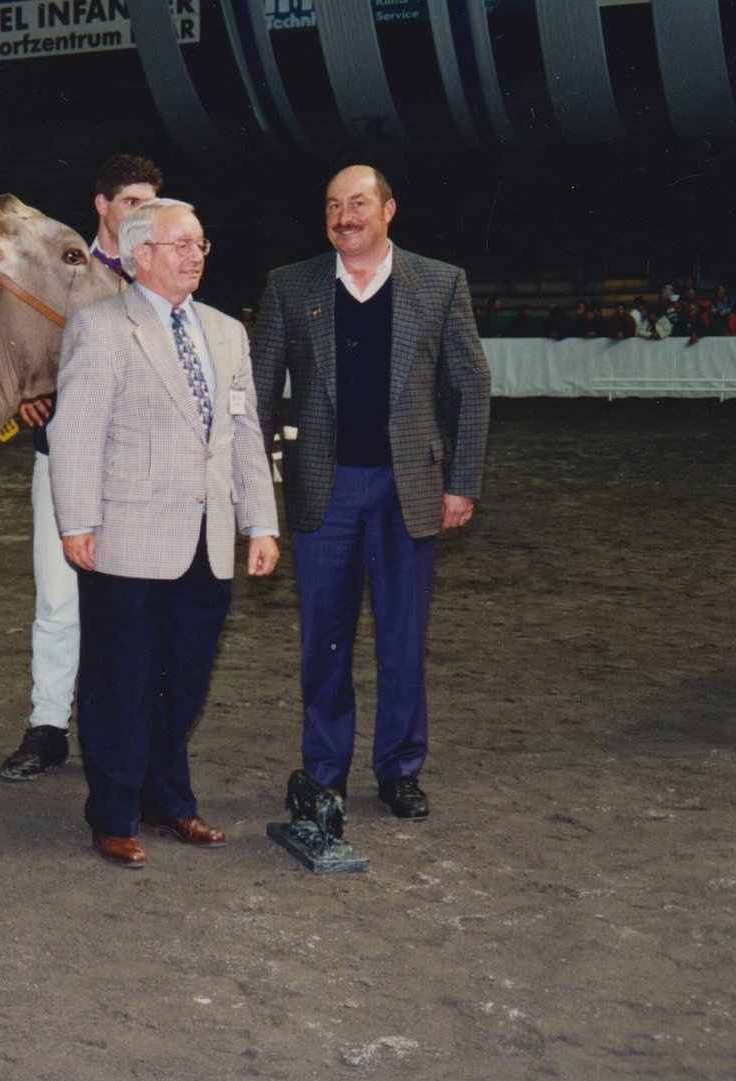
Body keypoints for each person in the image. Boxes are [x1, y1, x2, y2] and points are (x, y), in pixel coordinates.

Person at [251, 165, 490, 821]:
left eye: (358, 202)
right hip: (321, 492)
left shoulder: (440, 284)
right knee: (322, 639)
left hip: (407, 490)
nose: (344, 215)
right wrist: (254, 502)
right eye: (332, 204)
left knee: (403, 641)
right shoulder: (289, 285)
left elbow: (470, 387)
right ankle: (324, 771)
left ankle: (399, 769)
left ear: (388, 209)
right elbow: (259, 395)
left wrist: (461, 482)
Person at [48, 198, 280, 868]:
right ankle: (114, 811)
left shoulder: (226, 332)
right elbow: (76, 432)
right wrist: (77, 521)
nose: (195, 255)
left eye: (201, 244)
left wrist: (259, 522)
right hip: (124, 535)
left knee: (185, 681)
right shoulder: (99, 327)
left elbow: (242, 435)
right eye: (181, 244)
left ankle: (167, 800)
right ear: (139, 253)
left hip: (207, 539)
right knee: (120, 680)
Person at [0, 152, 162, 781]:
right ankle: (47, 726)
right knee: (57, 598)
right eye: (130, 203)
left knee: (136, 599)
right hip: (62, 457)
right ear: (101, 205)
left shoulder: (165, 270)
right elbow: (15, 340)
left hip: (142, 466)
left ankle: (127, 724)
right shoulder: (57, 269)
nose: (141, 215)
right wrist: (26, 389)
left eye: (151, 204)